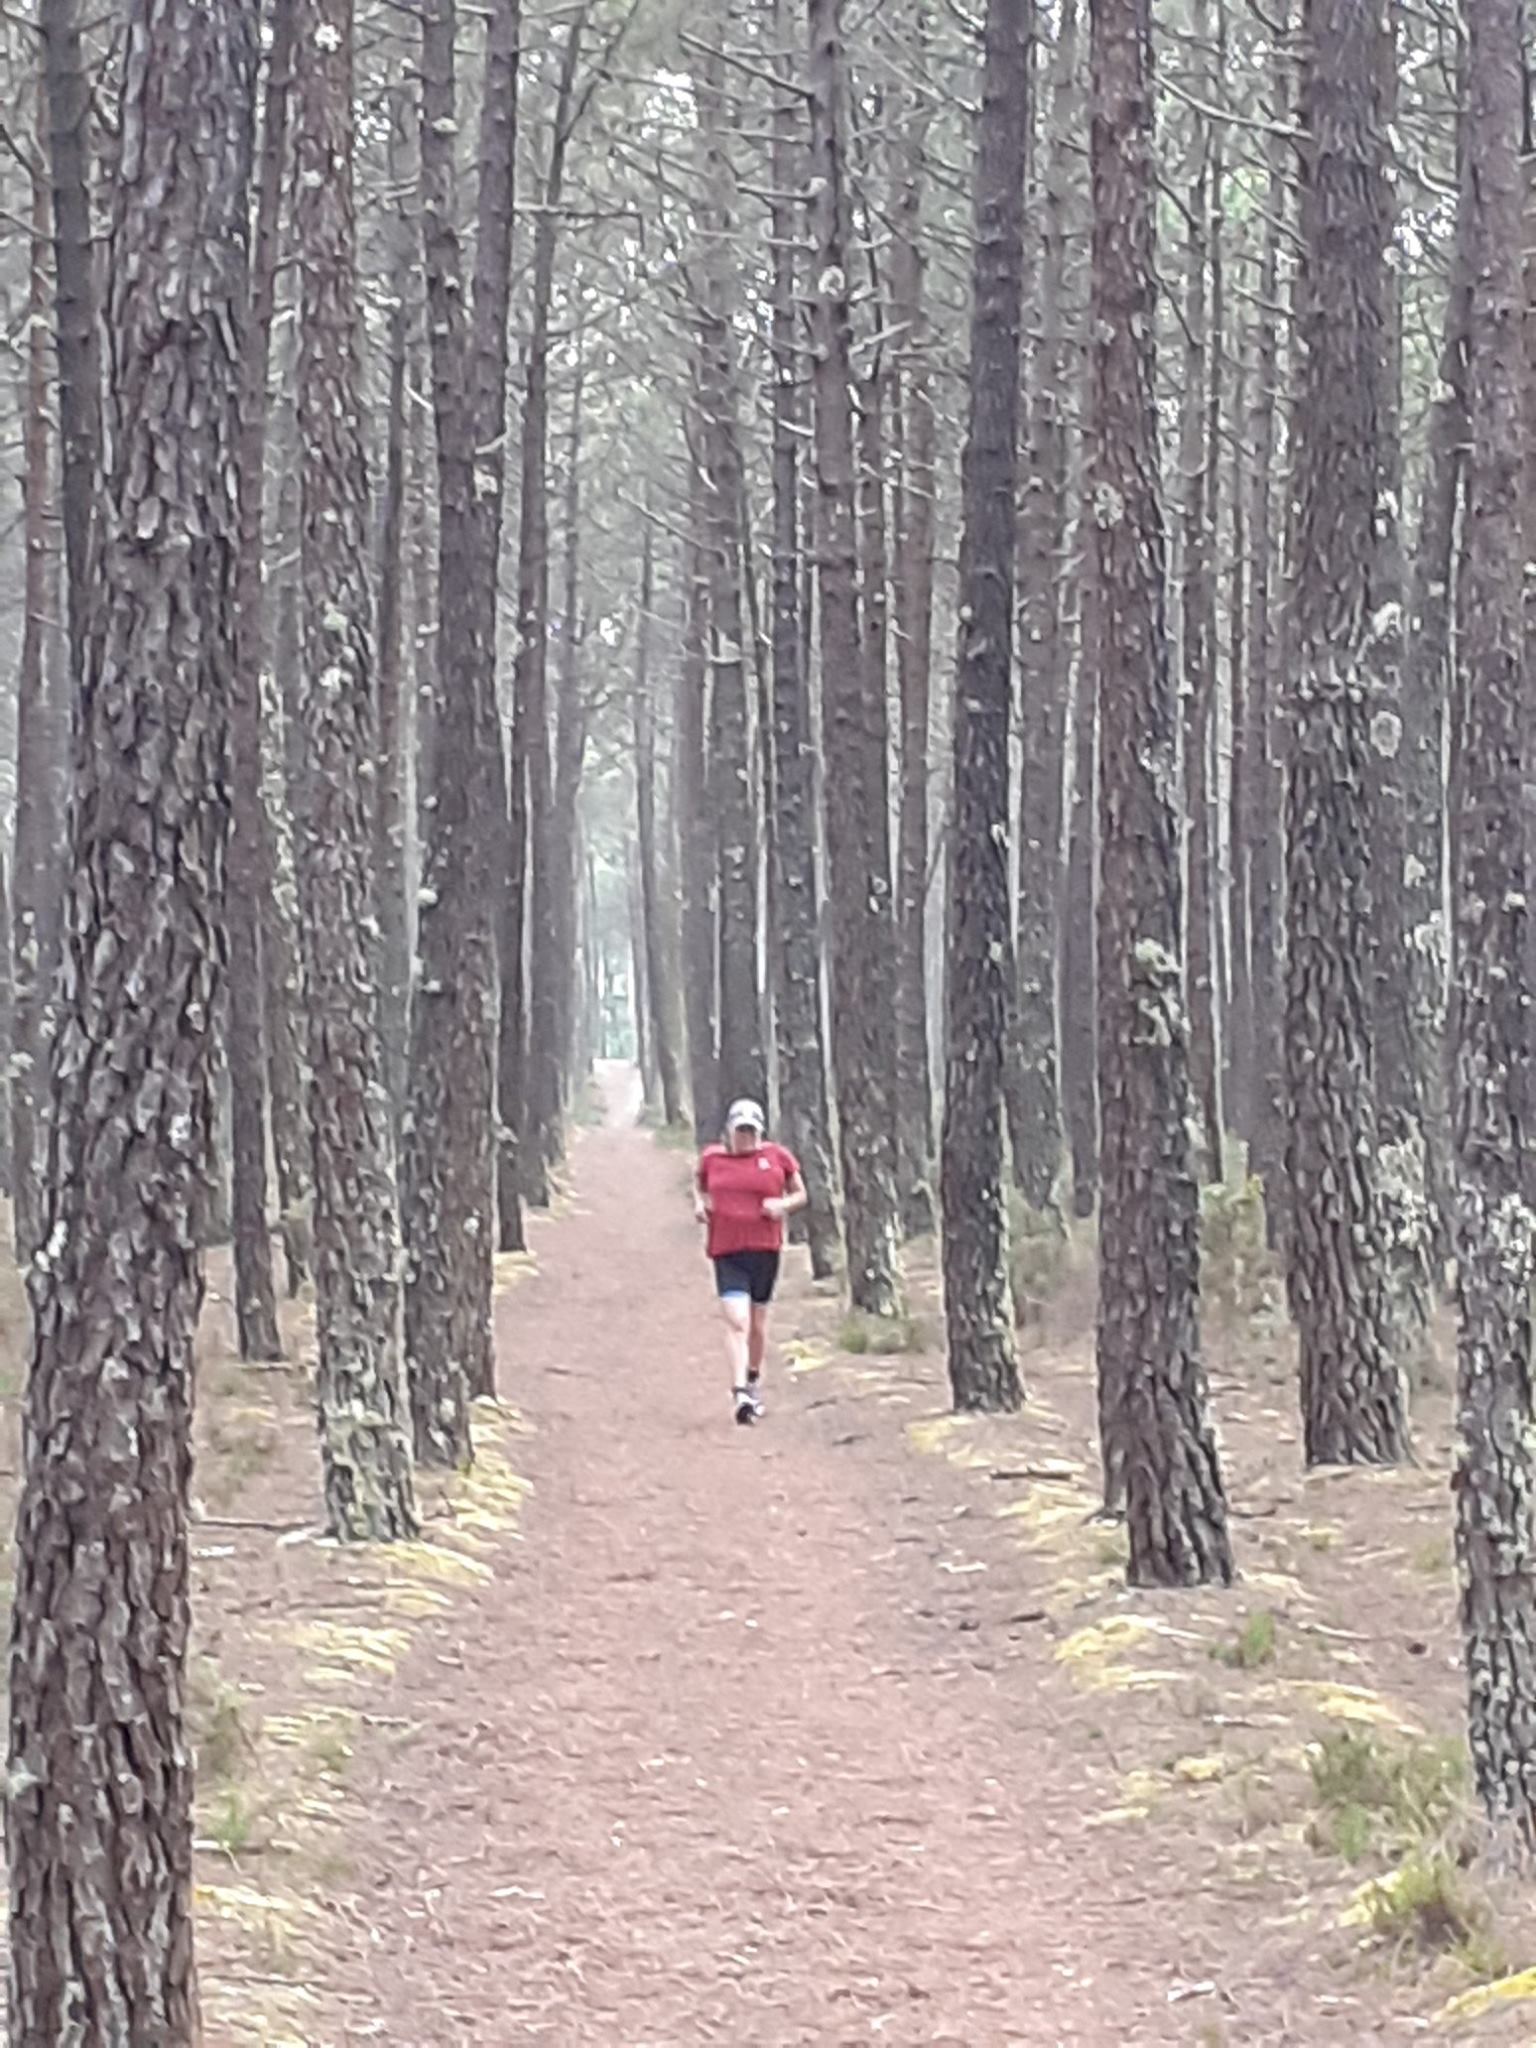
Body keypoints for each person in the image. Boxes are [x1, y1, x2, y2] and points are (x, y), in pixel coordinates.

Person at [694, 1098, 807, 1425]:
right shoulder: (712, 1158)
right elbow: (699, 1186)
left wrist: (782, 1206)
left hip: (764, 1250)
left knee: (757, 1324)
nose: (747, 1137)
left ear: (760, 1131)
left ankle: (753, 1379)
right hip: (727, 1250)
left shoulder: (777, 1157)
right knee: (737, 1321)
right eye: (741, 1130)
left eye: (752, 1131)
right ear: (730, 1130)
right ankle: (740, 1391)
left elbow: (801, 1194)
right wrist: (700, 1205)